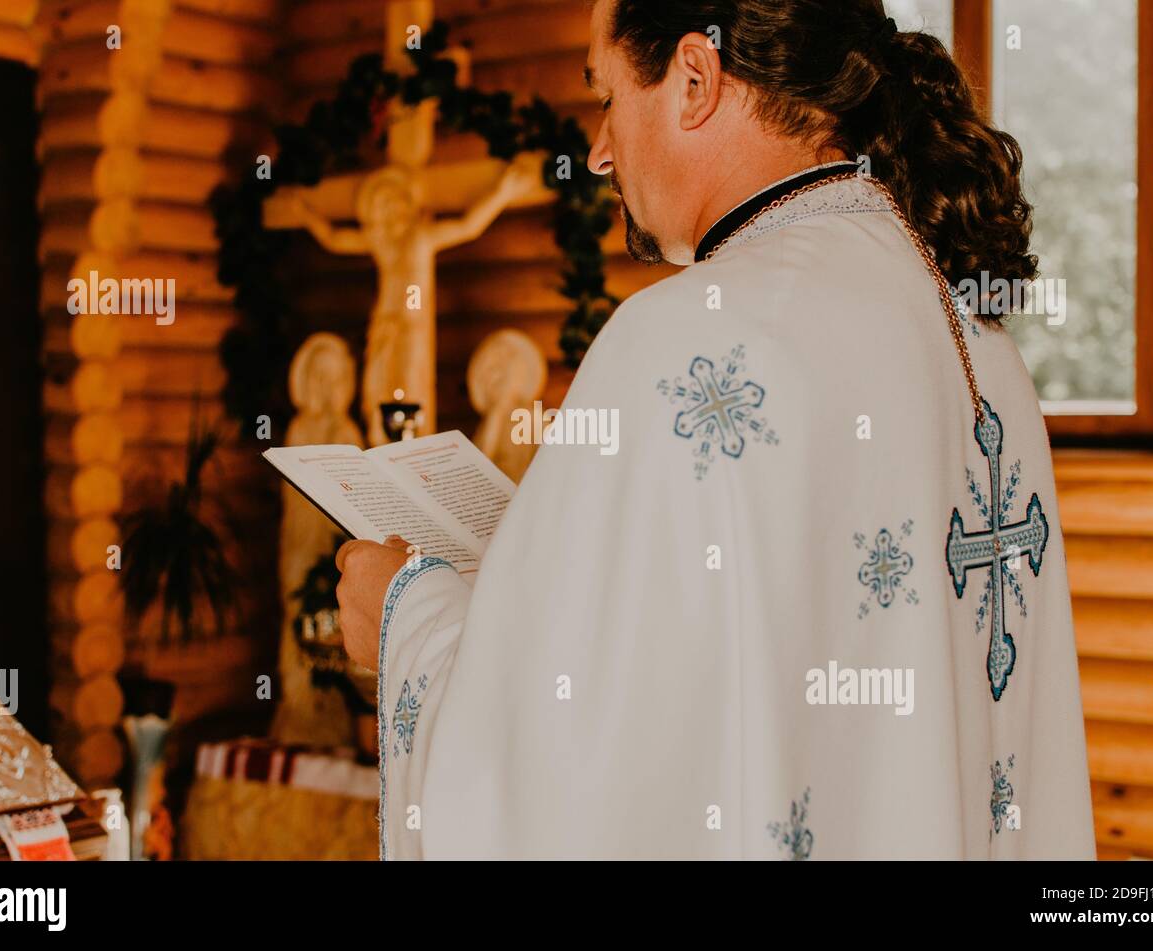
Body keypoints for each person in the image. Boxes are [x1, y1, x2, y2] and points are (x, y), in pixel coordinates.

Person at [334, 0, 1095, 859]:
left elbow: (561, 777)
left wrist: (406, 615)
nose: (600, 149)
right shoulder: (980, 339)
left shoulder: (683, 343)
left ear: (694, 79)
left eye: (608, 96)